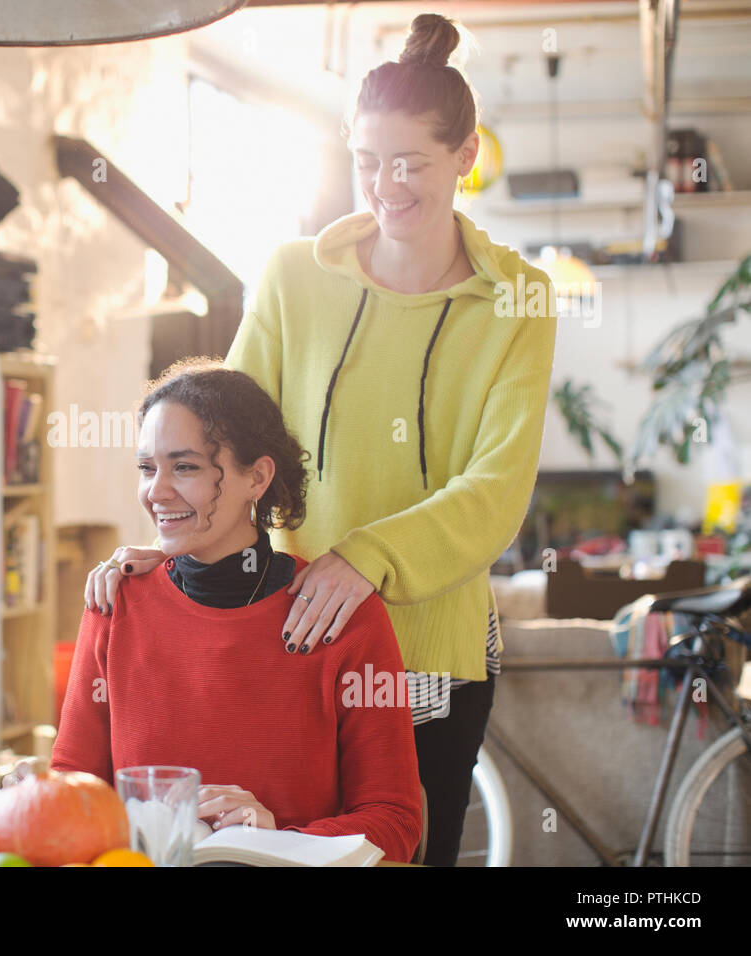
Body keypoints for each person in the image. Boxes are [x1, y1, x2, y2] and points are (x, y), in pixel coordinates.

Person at [85, 14, 556, 866]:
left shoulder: (517, 298)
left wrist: (368, 555)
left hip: (430, 646)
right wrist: (175, 536)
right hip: (290, 636)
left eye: (410, 162)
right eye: (367, 162)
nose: (386, 186)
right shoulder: (292, 276)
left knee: (400, 849)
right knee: (275, 846)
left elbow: (497, 488)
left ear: (467, 155)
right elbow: (220, 430)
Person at [54, 360, 422, 863]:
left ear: (258, 477)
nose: (156, 491)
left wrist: (274, 838)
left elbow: (395, 822)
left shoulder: (346, 617)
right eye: (147, 467)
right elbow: (70, 791)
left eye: (185, 467)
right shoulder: (116, 604)